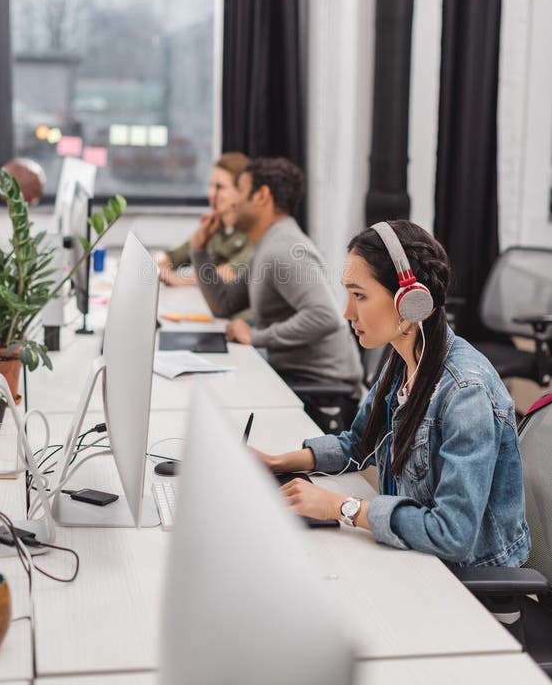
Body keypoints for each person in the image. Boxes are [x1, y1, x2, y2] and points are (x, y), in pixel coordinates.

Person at [257, 219, 530, 567]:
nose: (347, 312)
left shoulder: (466, 393)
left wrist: (342, 507)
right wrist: (277, 462)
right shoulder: (403, 361)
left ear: (409, 301)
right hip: (415, 560)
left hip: (465, 582)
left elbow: (452, 534)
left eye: (359, 295)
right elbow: (360, 444)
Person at [189, 156, 363, 390]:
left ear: (262, 196)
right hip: (297, 376)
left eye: (240, 191)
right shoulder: (267, 245)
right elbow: (224, 303)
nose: (233, 202)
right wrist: (199, 250)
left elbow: (325, 316)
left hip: (321, 386)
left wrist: (255, 336)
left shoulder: (284, 248)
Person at [158, 152, 252, 287]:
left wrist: (179, 280)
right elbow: (175, 256)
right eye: (210, 186)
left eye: (220, 187)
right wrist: (155, 266)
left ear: (241, 191)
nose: (211, 194)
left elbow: (230, 272)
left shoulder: (253, 230)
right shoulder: (213, 226)